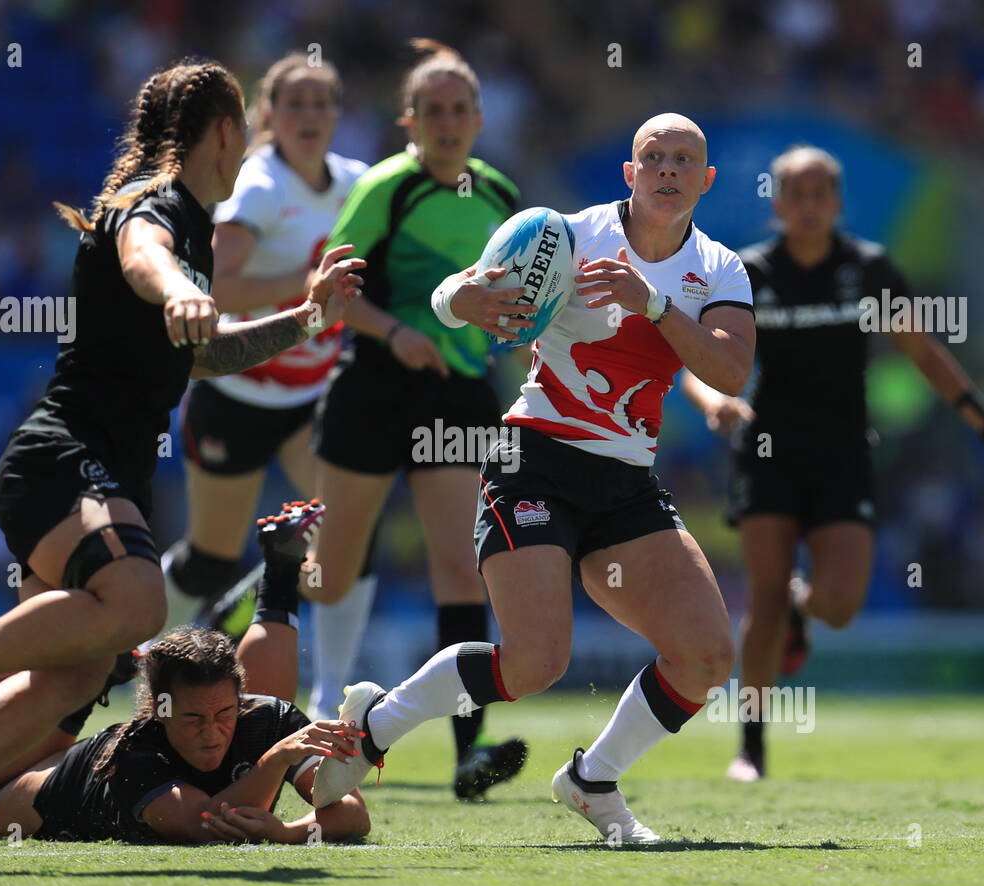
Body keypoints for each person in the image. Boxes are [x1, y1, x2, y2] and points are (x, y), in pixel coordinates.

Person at [0, 58, 364, 875]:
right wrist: (175, 291)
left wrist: (303, 318)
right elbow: (140, 256)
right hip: (61, 460)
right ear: (227, 131)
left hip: (95, 475)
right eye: (245, 136)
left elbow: (201, 355)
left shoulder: (194, 224)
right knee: (138, 600)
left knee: (71, 680)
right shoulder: (153, 209)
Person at [312, 112, 757, 844]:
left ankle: (594, 780)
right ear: (630, 173)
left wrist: (652, 302)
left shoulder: (720, 268)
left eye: (684, 160)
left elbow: (730, 367)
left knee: (707, 654)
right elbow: (452, 294)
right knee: (536, 662)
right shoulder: (567, 231)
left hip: (627, 480)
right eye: (654, 157)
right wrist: (464, 302)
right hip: (536, 461)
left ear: (706, 180)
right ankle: (374, 726)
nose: (669, 170)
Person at [681, 145, 984, 782]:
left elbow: (925, 354)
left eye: (822, 194)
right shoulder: (749, 272)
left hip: (844, 454)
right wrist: (718, 401)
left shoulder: (868, 268)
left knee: (840, 605)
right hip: (767, 455)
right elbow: (697, 360)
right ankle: (751, 748)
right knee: (761, 599)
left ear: (838, 204)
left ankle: (801, 602)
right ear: (778, 203)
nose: (810, 205)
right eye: (798, 193)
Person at [295, 38, 530, 799]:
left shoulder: (500, 195)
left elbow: (528, 305)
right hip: (373, 386)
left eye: (460, 110)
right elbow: (327, 287)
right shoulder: (387, 189)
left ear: (479, 118)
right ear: (410, 120)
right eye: (433, 111)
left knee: (461, 568)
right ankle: (312, 677)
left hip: (458, 398)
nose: (448, 122)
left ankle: (470, 748)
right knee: (332, 562)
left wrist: (529, 369)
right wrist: (394, 328)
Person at [159, 54, 379, 722]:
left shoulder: (360, 183)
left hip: (314, 395)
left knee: (349, 534)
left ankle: (332, 695)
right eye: (296, 103)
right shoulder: (256, 186)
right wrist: (309, 286)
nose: (310, 116)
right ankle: (132, 656)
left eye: (322, 103)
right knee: (209, 558)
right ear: (268, 115)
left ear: (339, 115)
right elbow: (215, 287)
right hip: (238, 392)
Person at [0, 509, 368, 848]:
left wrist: (288, 832)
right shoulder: (135, 753)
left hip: (234, 736)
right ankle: (91, 677)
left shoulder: (268, 718)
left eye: (226, 712)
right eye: (193, 719)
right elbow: (200, 825)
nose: (212, 732)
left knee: (264, 718)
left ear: (240, 699)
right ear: (161, 711)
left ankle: (280, 574)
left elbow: (353, 814)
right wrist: (274, 760)